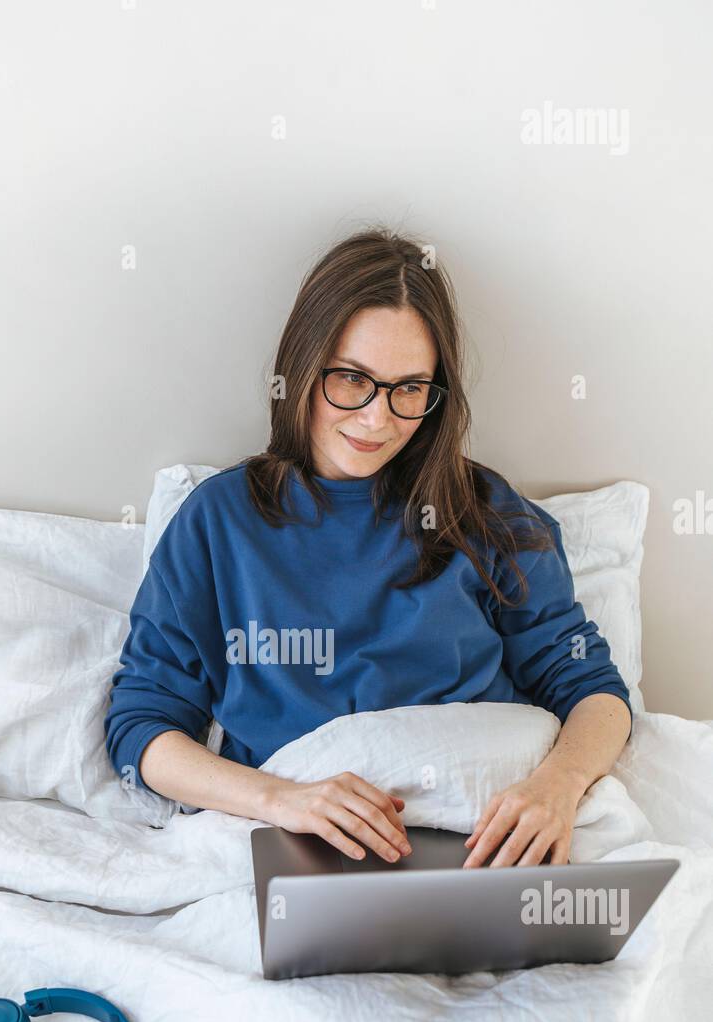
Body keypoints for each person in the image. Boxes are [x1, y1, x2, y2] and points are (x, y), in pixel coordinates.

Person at [105, 227, 632, 869]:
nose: (378, 420)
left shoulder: (487, 513)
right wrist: (284, 799)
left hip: (484, 841)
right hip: (304, 843)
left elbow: (594, 691)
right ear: (302, 367)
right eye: (353, 379)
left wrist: (559, 786)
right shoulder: (218, 523)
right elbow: (142, 728)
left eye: (409, 388)